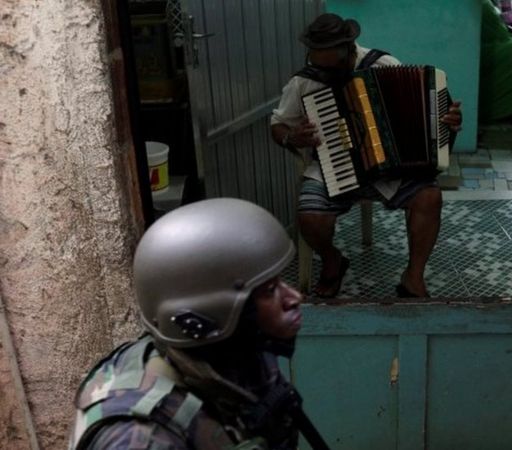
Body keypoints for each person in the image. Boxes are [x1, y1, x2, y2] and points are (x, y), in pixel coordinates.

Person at [69, 198, 327, 450]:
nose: (294, 298)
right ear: (209, 314)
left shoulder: (234, 353)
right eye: (270, 290)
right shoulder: (139, 437)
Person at [270, 13, 463, 299]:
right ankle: (333, 260)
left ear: (349, 50)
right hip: (331, 168)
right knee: (309, 218)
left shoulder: (383, 66)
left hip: (391, 170)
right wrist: (289, 136)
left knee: (429, 198)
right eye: (317, 66)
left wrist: (449, 122)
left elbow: (423, 119)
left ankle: (413, 277)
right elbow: (277, 123)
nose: (324, 76)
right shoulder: (304, 82)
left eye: (332, 70)